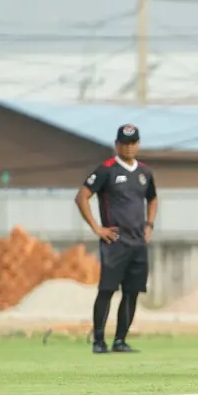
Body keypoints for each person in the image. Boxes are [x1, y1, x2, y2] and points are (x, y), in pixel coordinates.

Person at [74, 123, 159, 354]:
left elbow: (152, 199)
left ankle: (120, 340)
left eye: (133, 143)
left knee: (132, 292)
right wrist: (97, 228)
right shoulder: (106, 170)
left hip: (138, 242)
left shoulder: (144, 172)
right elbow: (82, 197)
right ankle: (99, 341)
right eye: (124, 143)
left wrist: (149, 225)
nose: (129, 147)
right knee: (107, 290)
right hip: (115, 241)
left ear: (138, 144)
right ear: (116, 144)